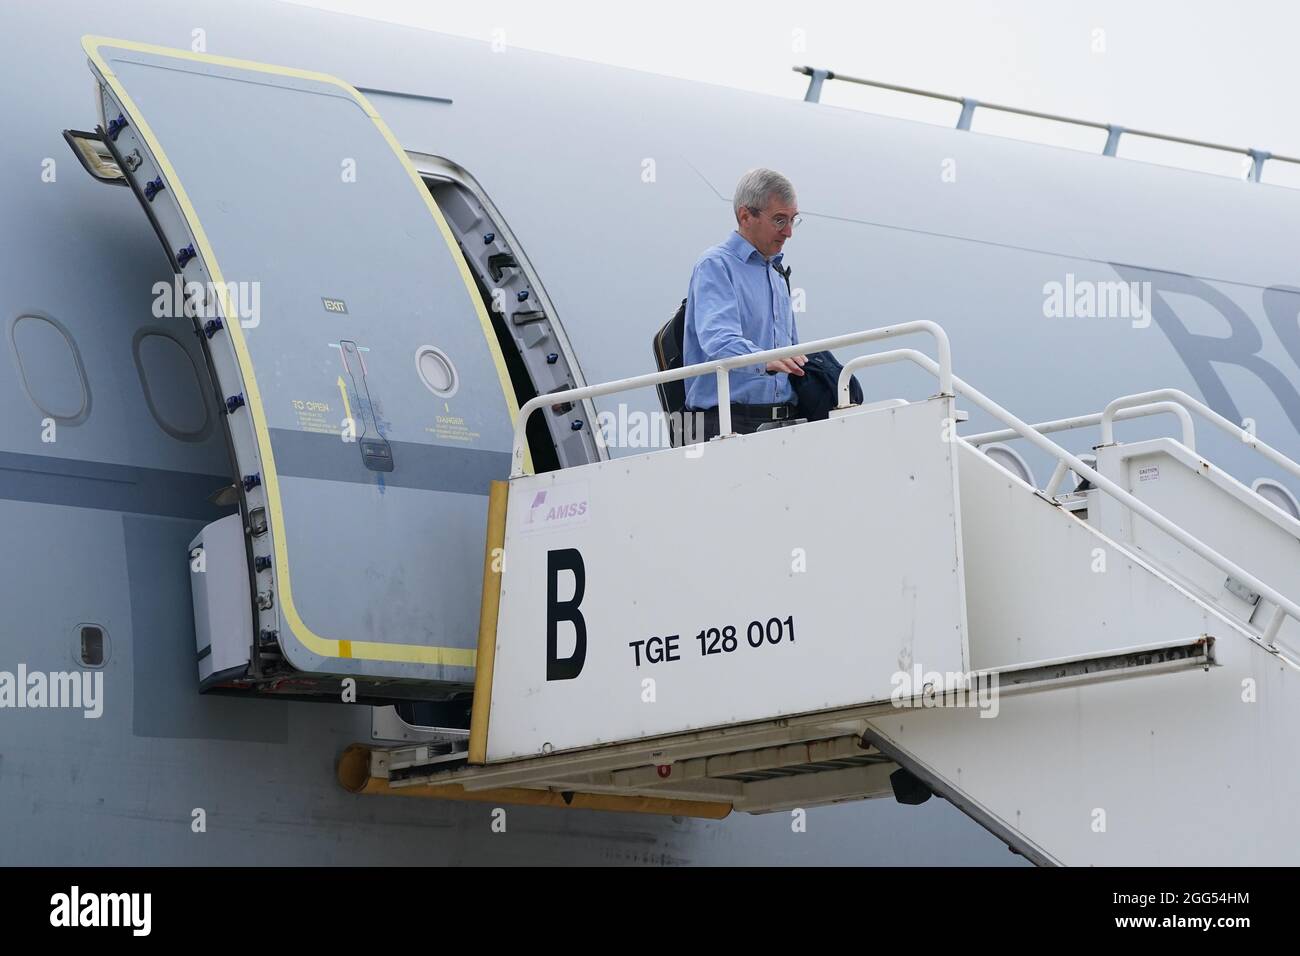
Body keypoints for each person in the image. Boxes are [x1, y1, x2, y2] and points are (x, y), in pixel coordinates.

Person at [682, 168, 806, 442]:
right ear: (745, 216)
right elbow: (718, 338)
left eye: (792, 220)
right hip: (726, 424)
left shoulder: (776, 274)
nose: (788, 232)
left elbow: (790, 352)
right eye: (779, 220)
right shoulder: (716, 265)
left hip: (782, 422)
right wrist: (765, 360)